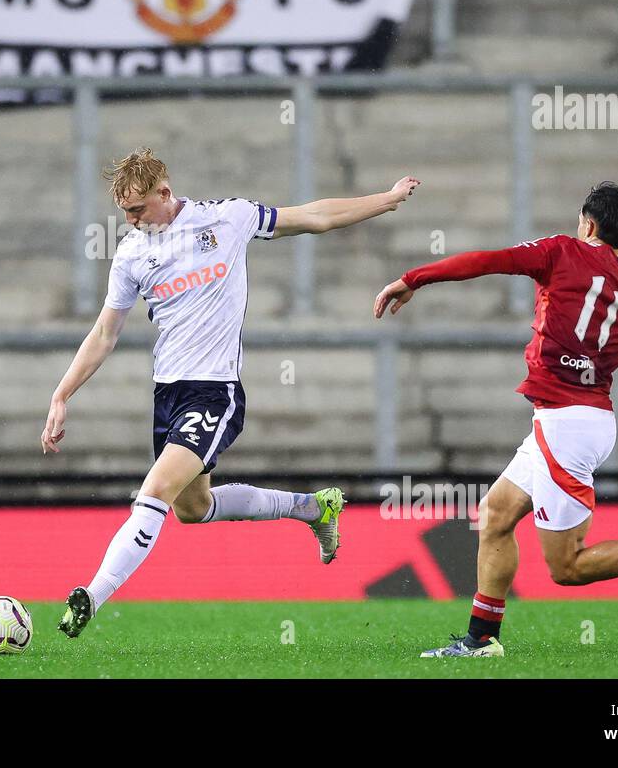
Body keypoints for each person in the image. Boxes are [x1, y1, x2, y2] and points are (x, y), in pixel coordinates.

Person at [43, 147, 420, 637]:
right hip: (168, 396)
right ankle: (312, 508)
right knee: (191, 509)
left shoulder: (227, 219)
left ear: (164, 191)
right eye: (125, 214)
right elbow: (103, 334)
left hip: (214, 392)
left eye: (138, 210)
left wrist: (385, 201)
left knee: (153, 492)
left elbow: (312, 217)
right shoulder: (133, 253)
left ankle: (90, 596)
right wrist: (61, 394)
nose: (132, 222)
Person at [373, 181, 618, 659]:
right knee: (495, 516)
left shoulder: (557, 252)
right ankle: (481, 639)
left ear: (588, 223)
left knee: (566, 567)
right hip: (576, 419)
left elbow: (486, 261)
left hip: (567, 425)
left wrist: (414, 278)